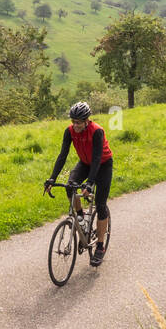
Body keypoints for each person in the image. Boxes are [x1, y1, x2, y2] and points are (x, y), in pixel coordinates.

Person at [43, 101, 113, 266]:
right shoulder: (69, 131)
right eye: (73, 121)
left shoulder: (97, 131)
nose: (75, 125)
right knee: (70, 187)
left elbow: (97, 159)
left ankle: (100, 246)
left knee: (101, 205)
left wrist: (90, 183)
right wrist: (52, 178)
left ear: (87, 120)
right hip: (85, 163)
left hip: (102, 165)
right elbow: (63, 155)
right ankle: (80, 217)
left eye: (79, 122)